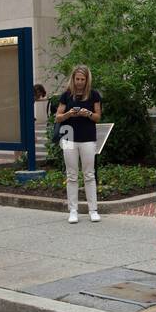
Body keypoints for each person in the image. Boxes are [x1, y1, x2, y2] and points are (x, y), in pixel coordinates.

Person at [56, 65, 102, 224]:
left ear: (87, 80)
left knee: (89, 174)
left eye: (83, 79)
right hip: (69, 137)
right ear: (73, 79)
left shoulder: (94, 95)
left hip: (88, 137)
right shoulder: (66, 95)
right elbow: (58, 117)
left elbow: (97, 117)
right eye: (77, 79)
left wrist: (87, 113)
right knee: (71, 175)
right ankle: (73, 210)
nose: (80, 82)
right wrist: (69, 113)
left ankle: (93, 210)